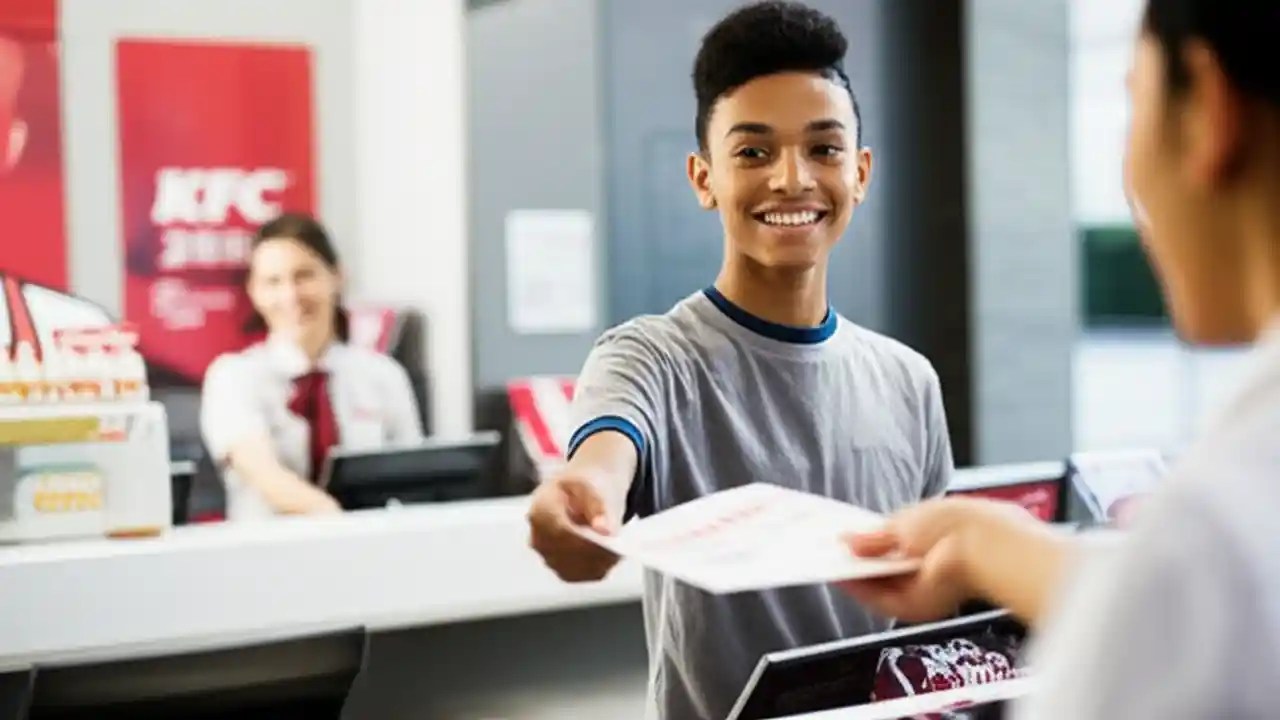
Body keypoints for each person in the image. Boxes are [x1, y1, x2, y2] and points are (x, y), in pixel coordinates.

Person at [843, 1, 1280, 716]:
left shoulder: (1212, 534)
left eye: (1133, 100)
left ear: (1205, 107)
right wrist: (984, 543)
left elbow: (1185, 609)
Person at [526, 3, 954, 718]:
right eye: (754, 153)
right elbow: (599, 463)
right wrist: (581, 506)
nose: (792, 179)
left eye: (823, 149)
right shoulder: (649, 358)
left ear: (861, 172)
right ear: (704, 178)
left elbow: (933, 605)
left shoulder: (908, 379)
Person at [200, 213, 423, 520]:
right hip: (268, 557)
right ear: (254, 291)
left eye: (304, 276)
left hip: (370, 555)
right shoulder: (233, 378)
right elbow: (267, 476)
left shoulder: (384, 376)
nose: (290, 295)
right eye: (273, 282)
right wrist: (341, 524)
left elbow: (415, 481)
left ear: (337, 276)